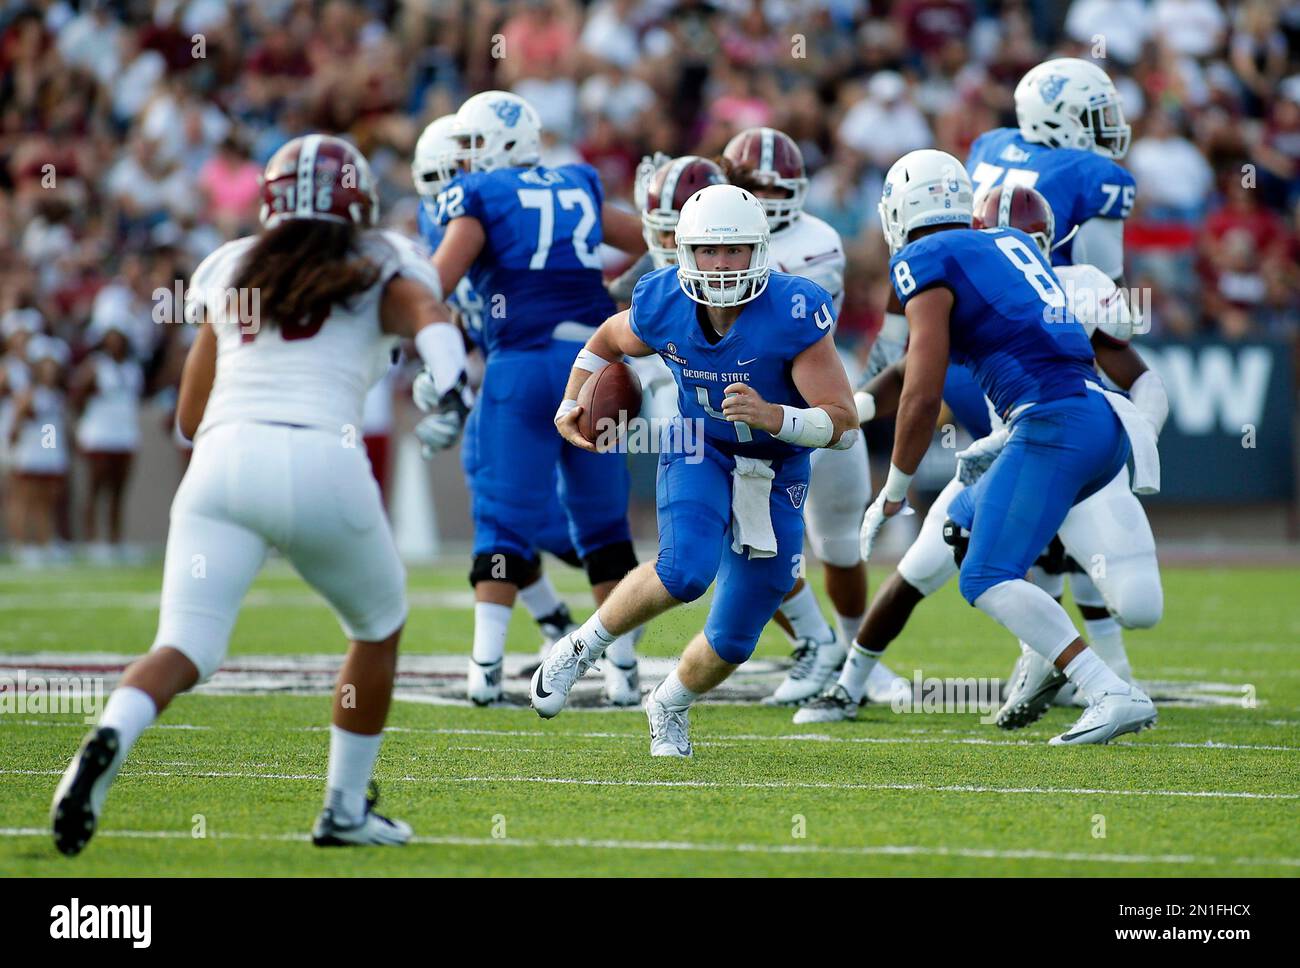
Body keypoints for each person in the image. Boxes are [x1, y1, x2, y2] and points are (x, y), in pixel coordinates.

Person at [50, 134, 468, 854]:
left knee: (183, 644)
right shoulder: (380, 261)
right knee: (377, 625)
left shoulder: (233, 266)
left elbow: (188, 419)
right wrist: (452, 389)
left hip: (221, 464)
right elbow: (432, 318)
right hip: (322, 457)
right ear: (357, 204)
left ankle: (111, 731)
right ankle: (343, 808)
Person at [799, 185, 1167, 727]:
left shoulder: (957, 267)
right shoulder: (988, 278)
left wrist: (894, 491)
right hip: (1046, 436)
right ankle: (860, 682)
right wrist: (844, 410)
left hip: (1052, 433)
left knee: (1004, 579)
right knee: (949, 539)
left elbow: (922, 395)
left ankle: (1107, 685)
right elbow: (905, 374)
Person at [531, 184, 857, 756]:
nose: (722, 263)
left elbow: (843, 422)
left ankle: (669, 702)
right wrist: (571, 398)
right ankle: (579, 650)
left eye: (734, 250)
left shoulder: (793, 309)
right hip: (698, 445)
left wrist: (775, 415)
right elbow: (607, 339)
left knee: (736, 636)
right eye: (709, 249)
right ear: (686, 252)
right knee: (684, 571)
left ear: (759, 251)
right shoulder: (663, 299)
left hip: (775, 467)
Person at [423, 91, 649, 706]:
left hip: (522, 368)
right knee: (604, 523)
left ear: (501, 144)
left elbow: (437, 281)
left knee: (503, 517)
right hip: (595, 368)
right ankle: (624, 672)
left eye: (473, 145)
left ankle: (484, 670)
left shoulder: (480, 194)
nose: (465, 159)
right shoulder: (578, 182)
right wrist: (613, 287)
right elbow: (652, 238)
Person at [722, 126, 899, 705]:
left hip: (816, 402)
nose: (767, 199)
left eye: (778, 188)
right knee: (753, 545)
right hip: (744, 411)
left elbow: (769, 323)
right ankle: (815, 647)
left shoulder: (817, 241)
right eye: (755, 187)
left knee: (839, 542)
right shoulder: (712, 235)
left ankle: (859, 658)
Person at [413, 113, 583, 690]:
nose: (447, 190)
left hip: (543, 362)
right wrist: (446, 375)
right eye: (437, 179)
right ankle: (557, 621)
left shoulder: (502, 206)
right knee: (496, 501)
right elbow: (459, 315)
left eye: (457, 171)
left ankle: (615, 587)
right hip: (506, 370)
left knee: (538, 515)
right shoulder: (440, 218)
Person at [71, 320, 144, 562]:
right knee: (96, 488)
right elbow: (76, 396)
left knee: (118, 491)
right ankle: (92, 540)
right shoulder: (95, 366)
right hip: (99, 436)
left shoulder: (133, 368)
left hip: (125, 436)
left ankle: (115, 539)